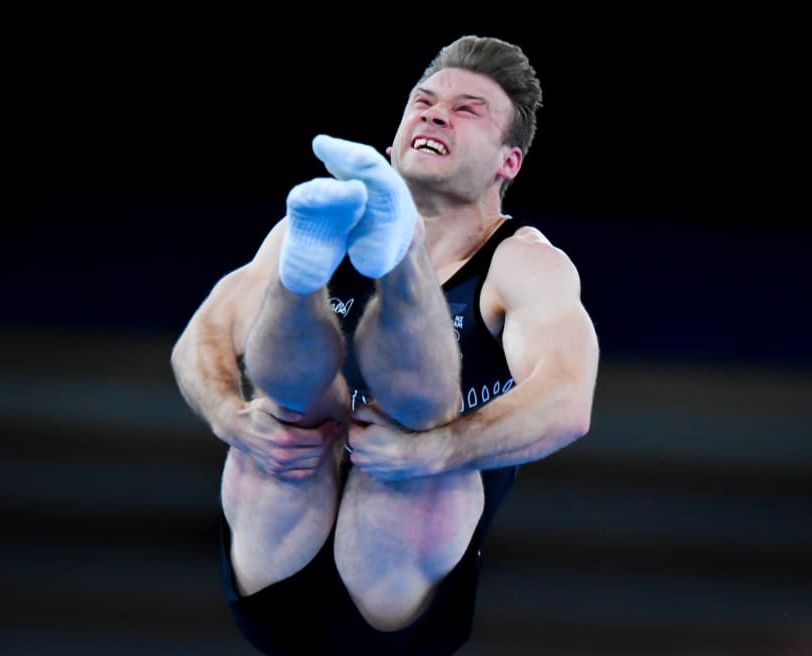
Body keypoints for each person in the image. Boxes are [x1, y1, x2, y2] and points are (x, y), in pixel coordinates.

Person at [170, 34, 599, 655]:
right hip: (280, 542)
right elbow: (201, 338)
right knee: (288, 407)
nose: (434, 113)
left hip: (401, 583)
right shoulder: (311, 222)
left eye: (467, 109)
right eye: (423, 101)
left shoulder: (526, 264)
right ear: (396, 136)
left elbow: (568, 403)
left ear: (509, 162)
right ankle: (317, 280)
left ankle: (397, 260)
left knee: (419, 418)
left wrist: (441, 451)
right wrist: (230, 419)